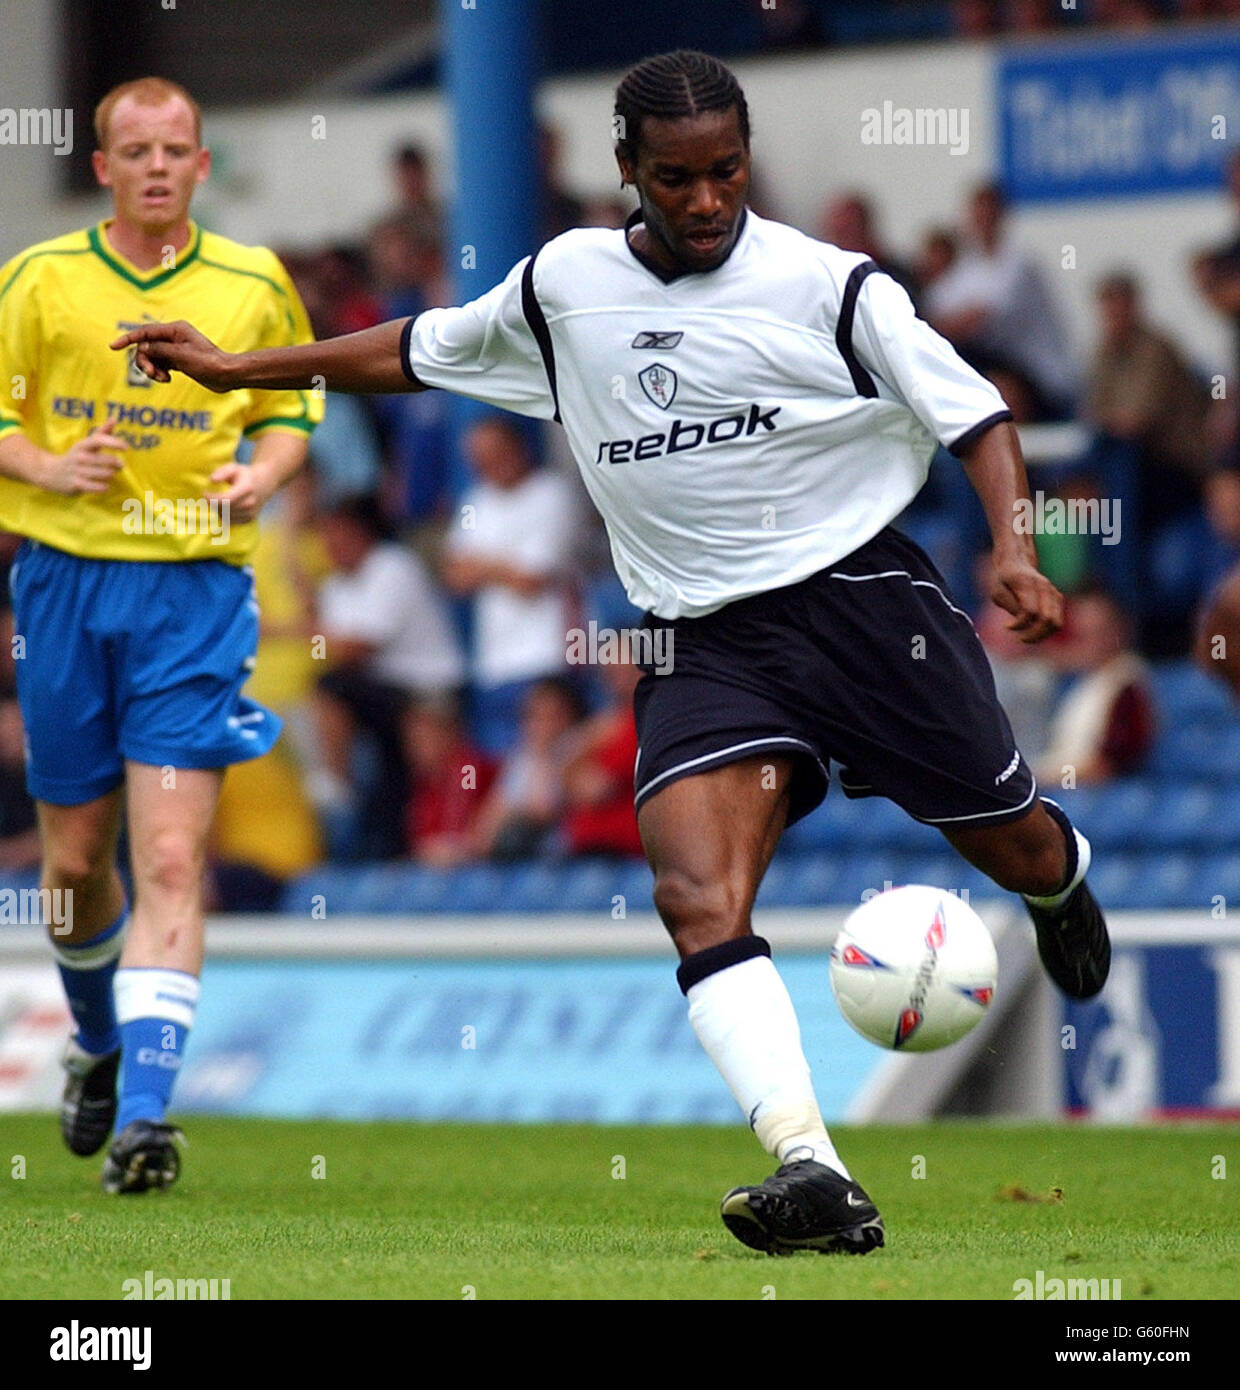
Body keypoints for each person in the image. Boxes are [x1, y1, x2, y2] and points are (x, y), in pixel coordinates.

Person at [114, 49, 1111, 1257]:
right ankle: (815, 1169)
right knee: (694, 895)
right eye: (677, 177)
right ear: (626, 170)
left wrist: (1012, 549)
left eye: (726, 172)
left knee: (1005, 836)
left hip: (862, 601)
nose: (705, 201)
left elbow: (980, 417)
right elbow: (417, 345)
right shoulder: (563, 285)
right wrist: (240, 368)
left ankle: (1057, 880)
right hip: (705, 635)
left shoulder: (831, 287)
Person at [0, 77, 322, 1193]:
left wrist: (263, 474)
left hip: (194, 590)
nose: (154, 165)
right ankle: (93, 1040)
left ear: (198, 163)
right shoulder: (39, 280)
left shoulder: (252, 282)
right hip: (65, 588)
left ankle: (145, 1116)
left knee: (172, 855)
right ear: (101, 166)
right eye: (133, 149)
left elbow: (293, 409)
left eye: (174, 148)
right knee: (74, 863)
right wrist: (44, 463)